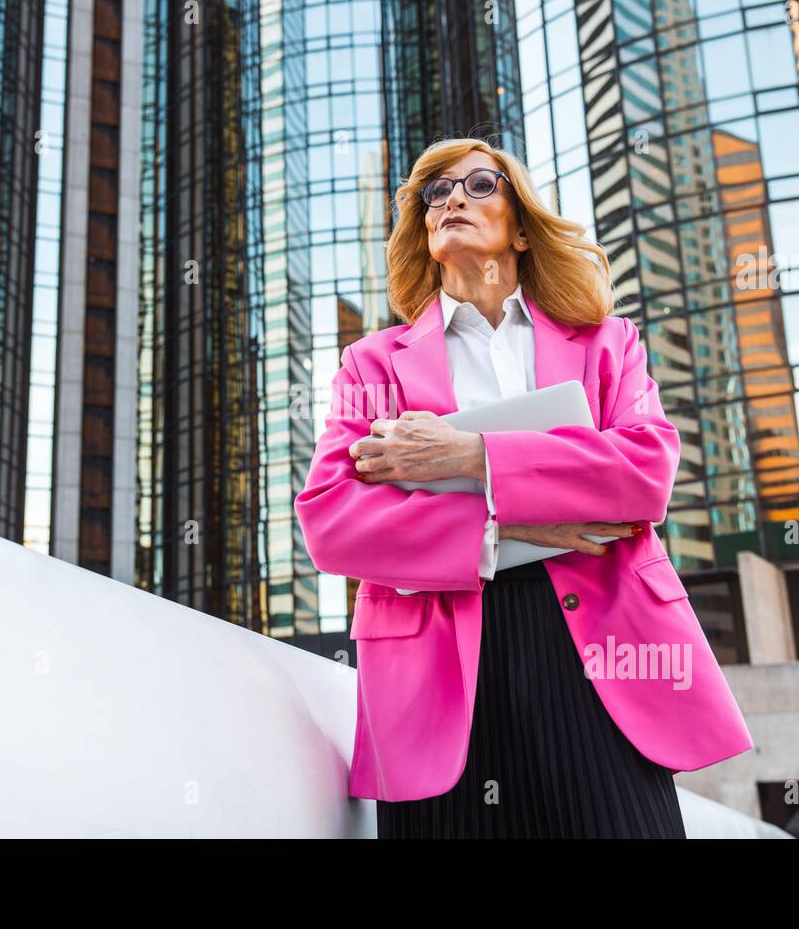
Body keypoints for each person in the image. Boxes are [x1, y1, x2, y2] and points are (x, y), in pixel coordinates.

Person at [293, 137, 754, 838]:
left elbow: (643, 471)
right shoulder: (371, 365)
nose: (452, 198)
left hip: (598, 653)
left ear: (521, 224)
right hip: (434, 666)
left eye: (480, 185)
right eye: (435, 192)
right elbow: (333, 518)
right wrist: (501, 528)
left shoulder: (606, 343)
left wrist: (469, 453)